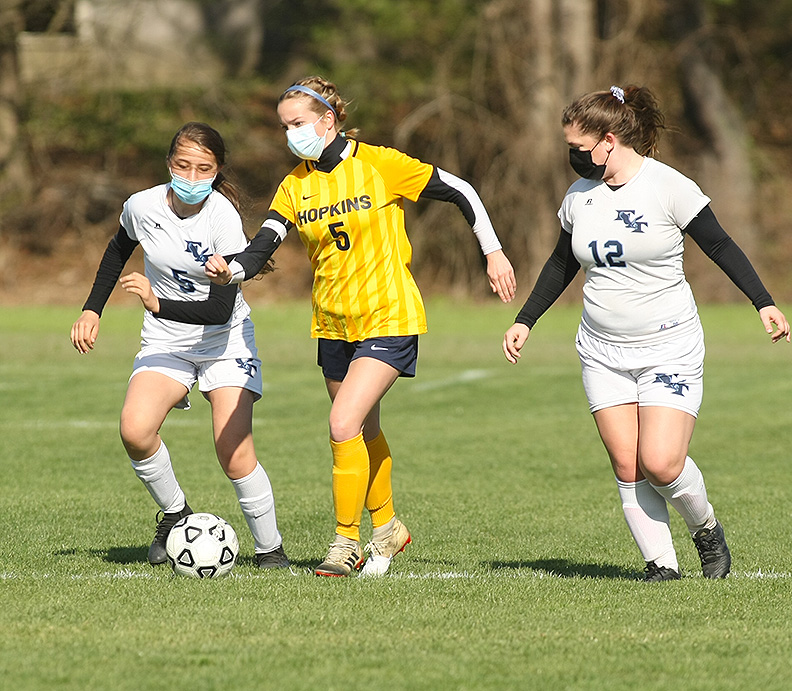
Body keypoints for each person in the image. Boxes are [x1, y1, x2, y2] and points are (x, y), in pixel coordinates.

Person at [203, 76, 517, 577]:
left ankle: (345, 543)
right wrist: (234, 269)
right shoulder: (295, 185)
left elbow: (461, 190)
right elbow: (265, 242)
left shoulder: (380, 164)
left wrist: (492, 250)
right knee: (364, 429)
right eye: (285, 126)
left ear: (328, 120)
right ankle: (389, 526)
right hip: (332, 322)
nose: (291, 135)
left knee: (342, 424)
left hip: (388, 314)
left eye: (299, 124)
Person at [503, 85, 790, 582]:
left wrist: (763, 301)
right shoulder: (579, 197)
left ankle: (706, 530)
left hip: (668, 345)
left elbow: (720, 246)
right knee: (627, 465)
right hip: (601, 350)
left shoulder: (668, 186)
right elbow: (561, 262)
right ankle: (661, 566)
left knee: (660, 462)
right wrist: (525, 320)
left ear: (609, 140)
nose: (572, 157)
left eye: (578, 148)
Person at [70, 122, 289, 570]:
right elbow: (118, 250)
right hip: (167, 343)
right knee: (135, 430)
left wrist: (156, 300)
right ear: (169, 164)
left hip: (224, 343)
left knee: (234, 453)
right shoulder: (142, 205)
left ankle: (271, 550)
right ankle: (175, 515)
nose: (191, 177)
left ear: (218, 170)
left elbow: (218, 312)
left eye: (203, 168)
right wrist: (93, 309)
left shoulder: (223, 219)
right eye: (182, 165)